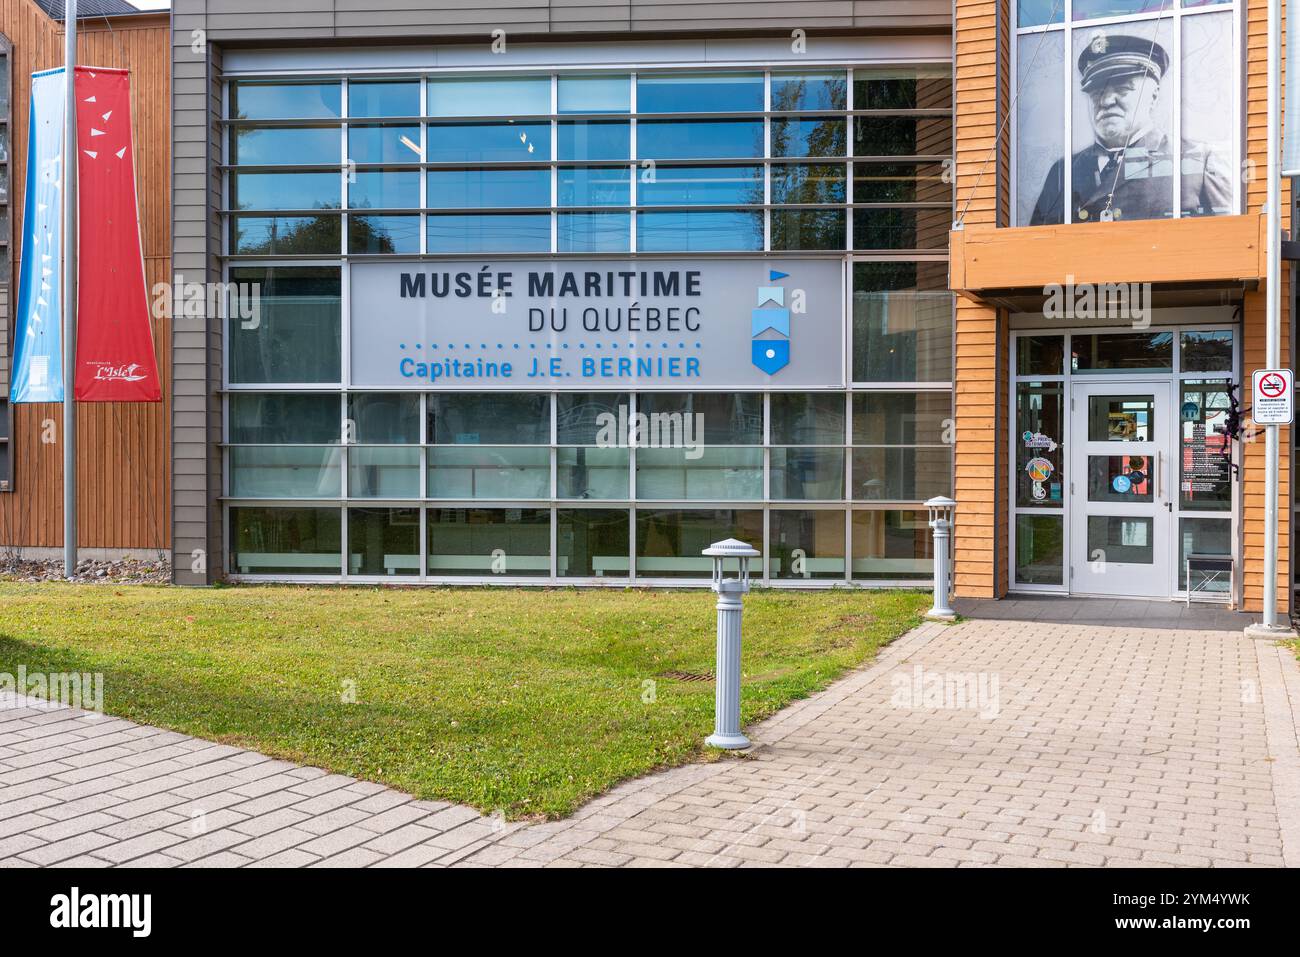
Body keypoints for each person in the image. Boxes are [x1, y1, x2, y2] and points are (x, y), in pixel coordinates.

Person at [1030, 32, 1232, 225]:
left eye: (1123, 89)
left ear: (1153, 96)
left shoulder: (1198, 161)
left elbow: (1229, 240)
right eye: (1097, 92)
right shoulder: (1063, 172)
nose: (1107, 101)